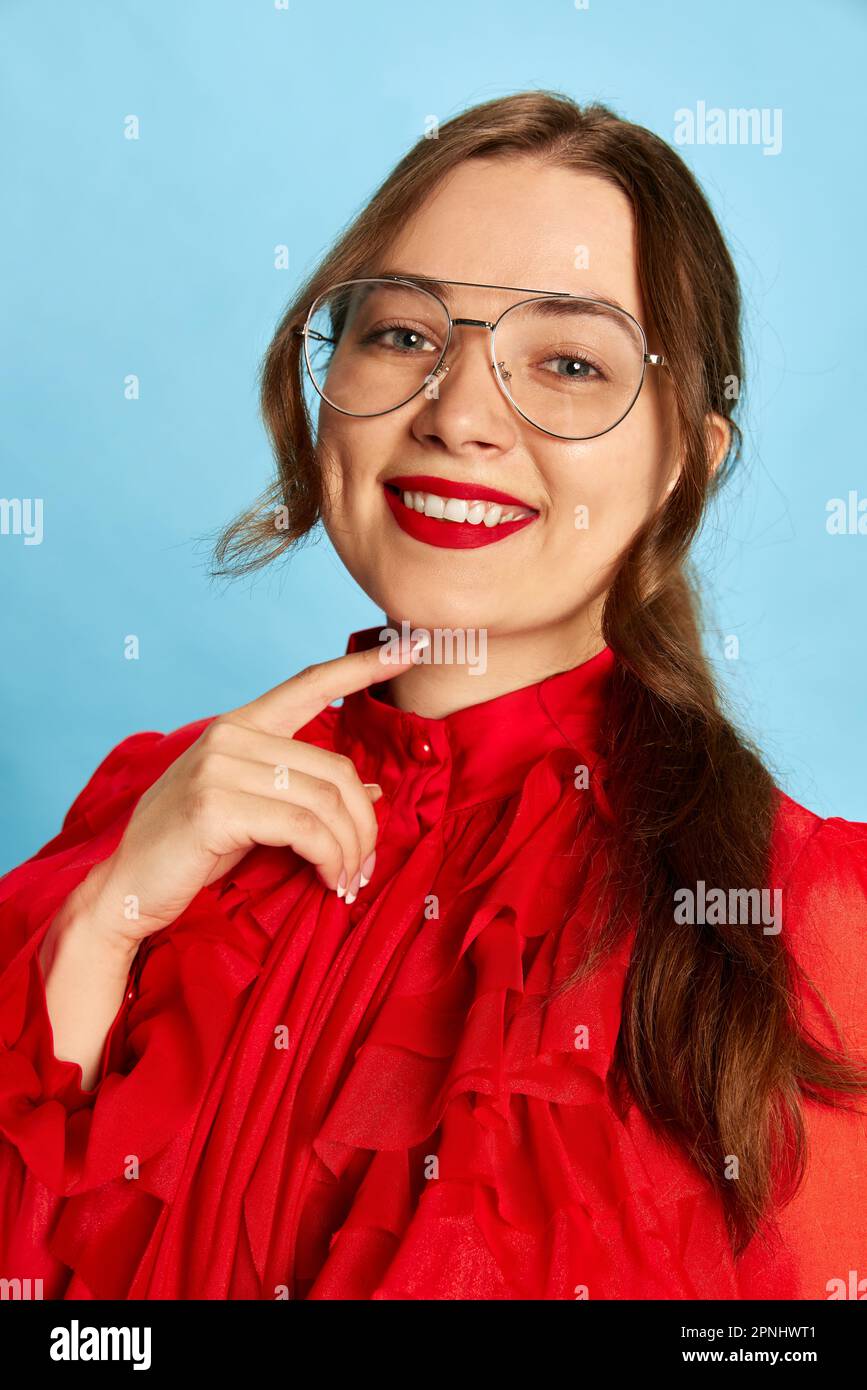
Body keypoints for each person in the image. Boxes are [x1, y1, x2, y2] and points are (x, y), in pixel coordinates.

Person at [1, 91, 865, 1301]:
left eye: (567, 363)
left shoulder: (811, 916)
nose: (457, 415)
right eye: (403, 336)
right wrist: (104, 928)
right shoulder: (148, 813)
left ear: (685, 459)